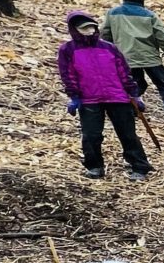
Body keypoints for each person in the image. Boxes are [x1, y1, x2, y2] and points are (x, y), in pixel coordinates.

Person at [58, 9, 152, 181]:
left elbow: (124, 72)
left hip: (118, 96)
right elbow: (68, 74)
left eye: (91, 27)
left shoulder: (109, 48)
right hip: (89, 99)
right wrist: (74, 97)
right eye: (84, 28)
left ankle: (140, 166)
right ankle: (94, 166)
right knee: (91, 135)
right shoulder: (68, 50)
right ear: (74, 29)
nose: (89, 31)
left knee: (127, 133)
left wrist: (134, 94)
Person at [103, 0, 164, 123]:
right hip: (150, 58)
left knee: (136, 84)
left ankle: (131, 111)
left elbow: (105, 34)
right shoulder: (149, 15)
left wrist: (109, 52)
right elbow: (161, 36)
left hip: (126, 58)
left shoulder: (113, 13)